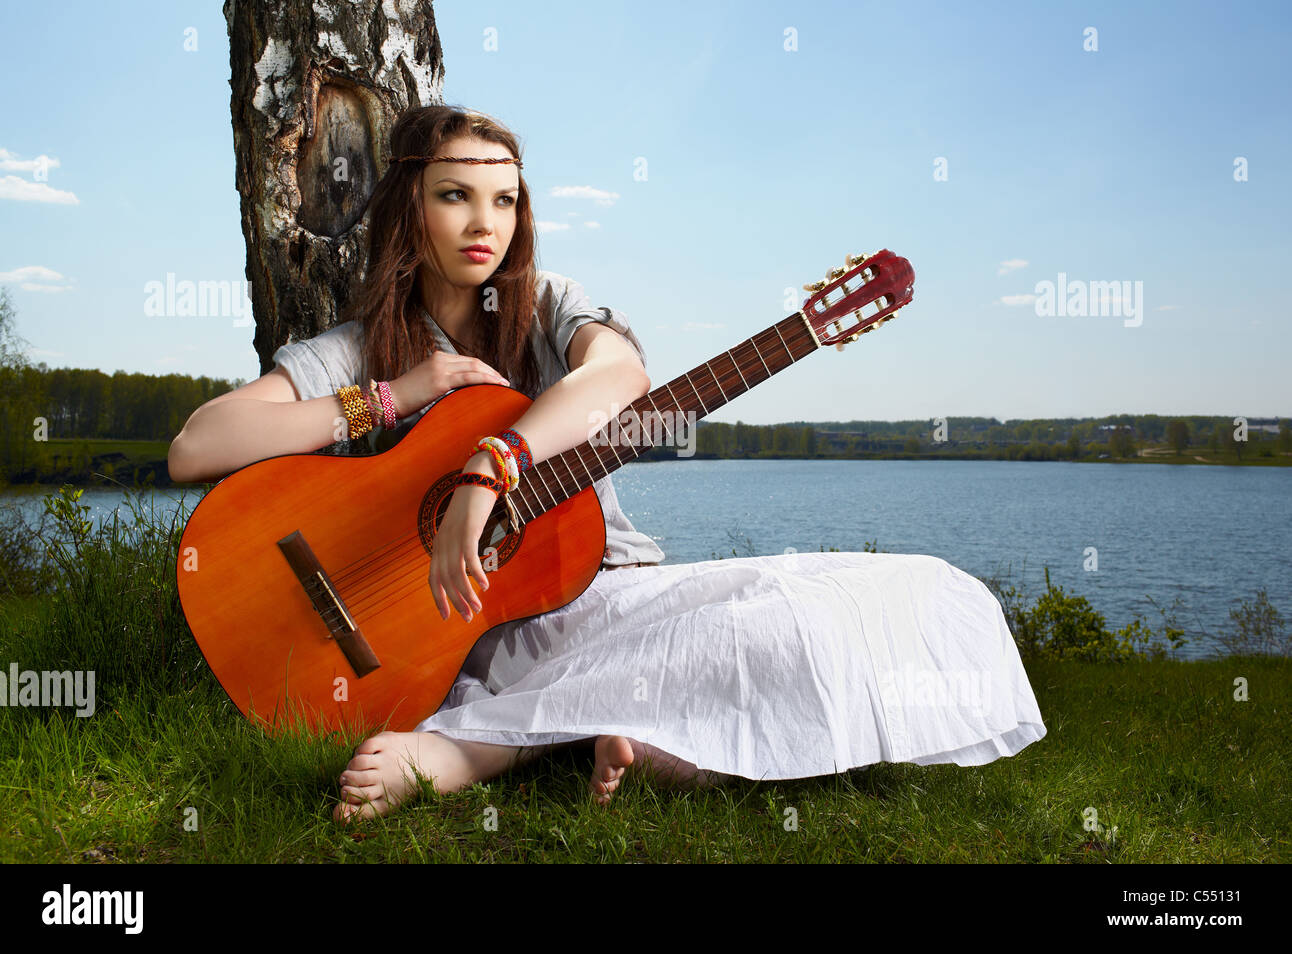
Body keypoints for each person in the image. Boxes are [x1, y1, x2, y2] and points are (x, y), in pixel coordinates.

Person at [168, 105, 1047, 825]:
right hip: (443, 635)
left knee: (900, 596)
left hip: (605, 592)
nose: (485, 224)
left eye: (505, 201)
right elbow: (196, 446)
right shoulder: (365, 349)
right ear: (410, 210)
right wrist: (396, 394)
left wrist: (491, 464)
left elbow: (622, 376)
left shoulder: (547, 305)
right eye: (456, 196)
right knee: (662, 653)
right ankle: (467, 749)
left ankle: (610, 738)